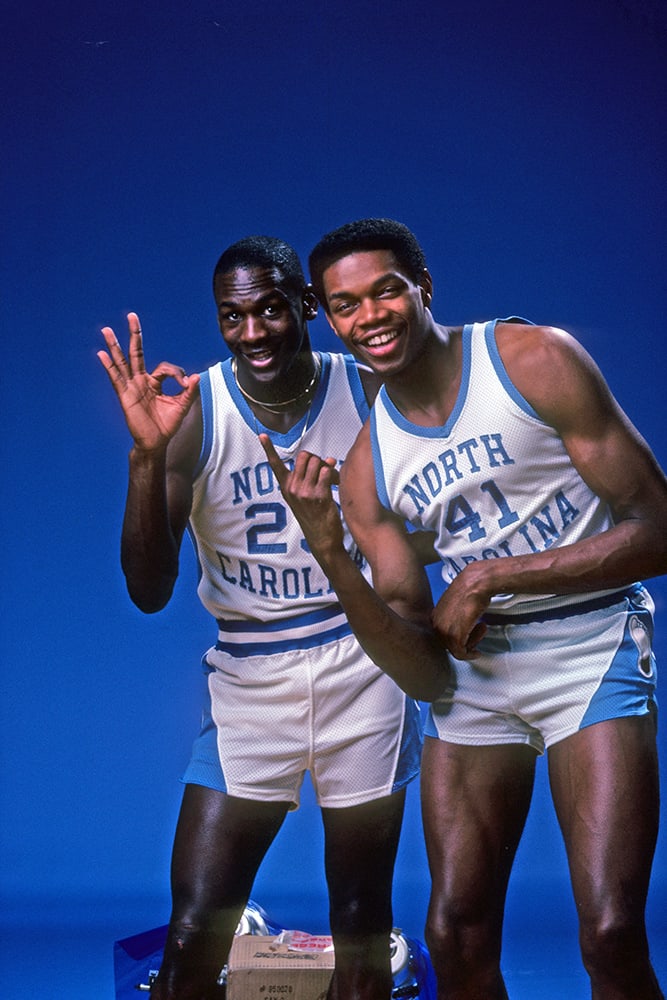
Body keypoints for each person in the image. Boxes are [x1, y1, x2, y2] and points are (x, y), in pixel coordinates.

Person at [259, 218, 667, 999]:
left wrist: (489, 576)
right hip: (475, 675)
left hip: (591, 643)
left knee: (611, 932)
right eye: (345, 305)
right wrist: (331, 551)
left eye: (385, 291)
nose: (369, 316)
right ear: (328, 318)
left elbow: (658, 529)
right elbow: (420, 669)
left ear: (423, 287)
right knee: (454, 935)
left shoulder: (530, 359)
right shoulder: (367, 468)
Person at [97, 235, 424, 1000]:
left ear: (305, 306)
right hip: (250, 678)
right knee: (192, 930)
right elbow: (148, 590)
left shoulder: (366, 389)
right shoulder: (196, 410)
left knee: (360, 920)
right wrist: (147, 458)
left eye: (270, 309)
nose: (252, 332)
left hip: (360, 666)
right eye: (232, 317)